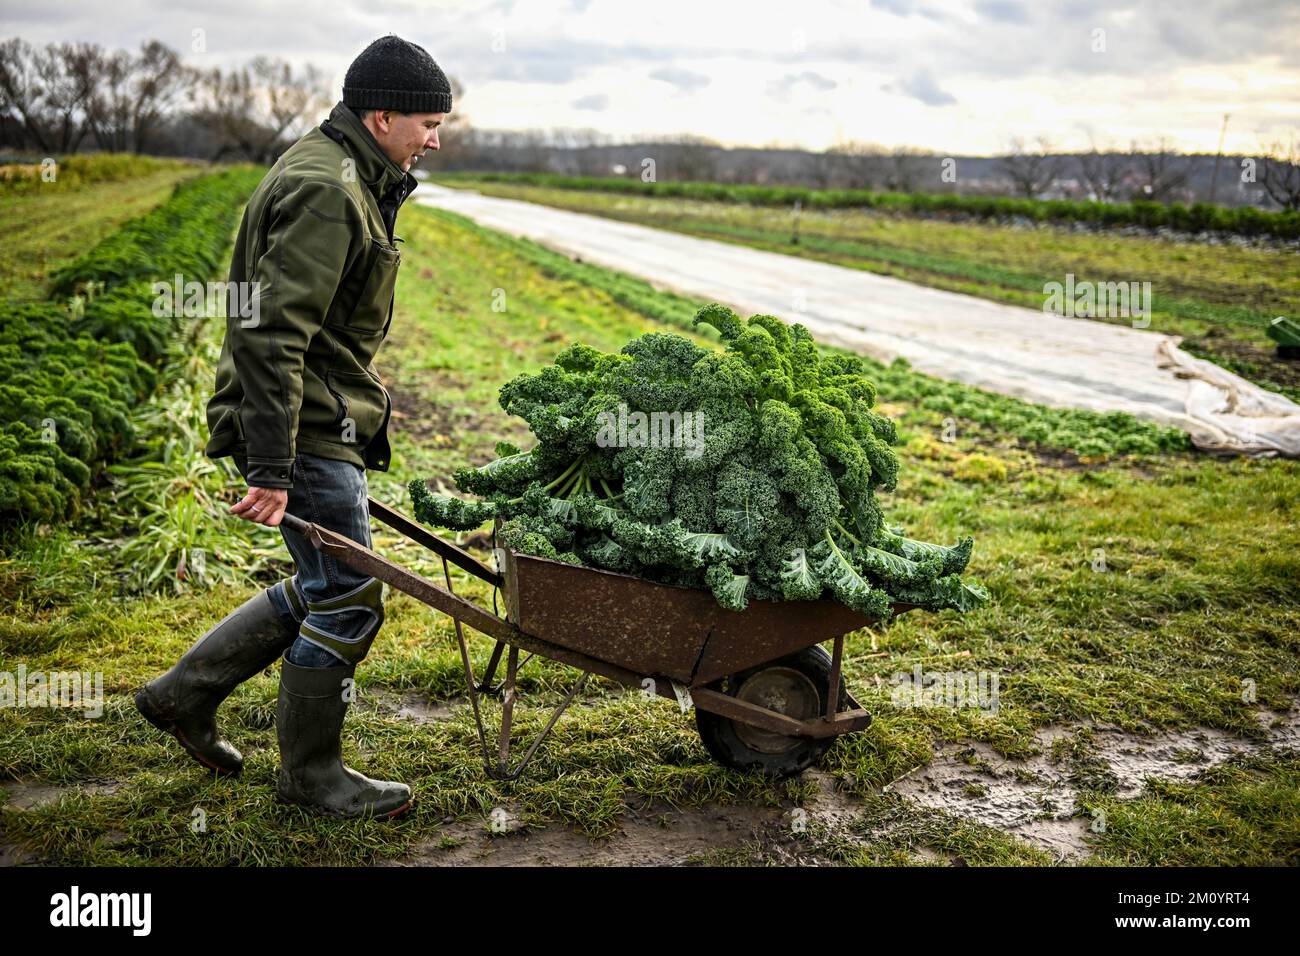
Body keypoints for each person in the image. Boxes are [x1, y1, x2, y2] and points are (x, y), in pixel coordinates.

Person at [134, 35, 452, 820]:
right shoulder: (326, 189)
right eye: (429, 123)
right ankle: (311, 777)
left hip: (317, 416)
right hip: (305, 425)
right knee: (349, 596)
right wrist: (272, 467)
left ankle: (182, 695)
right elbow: (272, 336)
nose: (437, 138)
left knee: (324, 582)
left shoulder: (344, 171)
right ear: (382, 117)